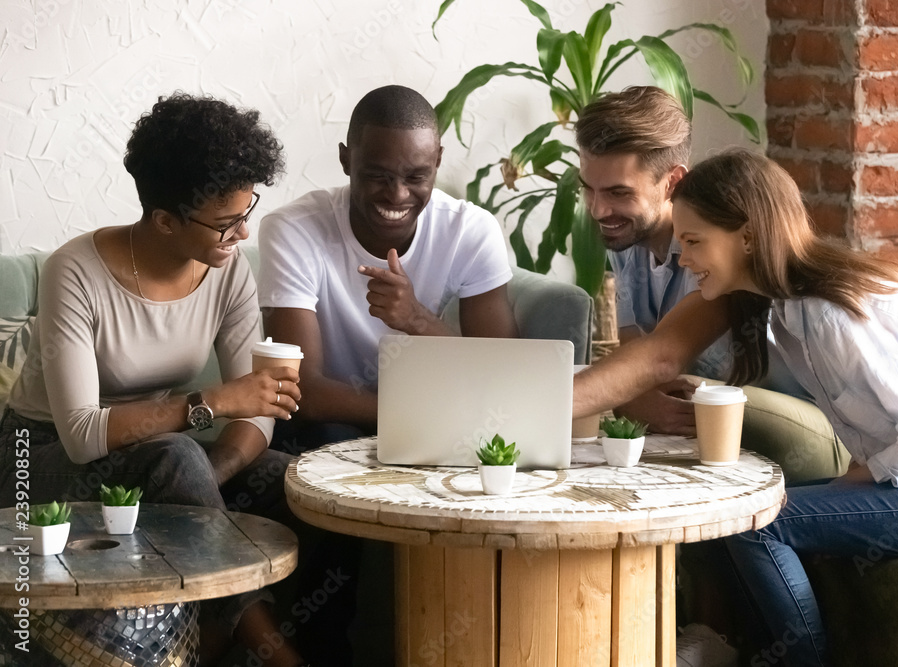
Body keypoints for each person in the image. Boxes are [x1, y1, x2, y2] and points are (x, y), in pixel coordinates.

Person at [575, 148, 898, 666]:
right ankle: (742, 650)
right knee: (728, 515)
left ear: (748, 237)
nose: (683, 260)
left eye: (694, 242)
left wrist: (862, 477)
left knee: (760, 523)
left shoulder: (828, 312)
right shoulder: (786, 309)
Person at [0, 93, 310, 667]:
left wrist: (210, 474)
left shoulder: (227, 271)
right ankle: (278, 655)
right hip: (35, 457)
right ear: (165, 220)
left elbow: (256, 409)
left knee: (293, 482)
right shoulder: (75, 271)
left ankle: (222, 647)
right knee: (176, 456)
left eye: (247, 212)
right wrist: (212, 403)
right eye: (226, 223)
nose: (243, 233)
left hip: (157, 456)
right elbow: (81, 435)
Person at [575, 86, 845, 482]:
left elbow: (660, 360)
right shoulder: (627, 236)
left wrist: (532, 405)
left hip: (812, 423)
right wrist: (635, 395)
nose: (599, 210)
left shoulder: (717, 250)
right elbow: (634, 356)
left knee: (702, 393)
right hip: (717, 425)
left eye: (619, 192)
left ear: (672, 182)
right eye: (588, 188)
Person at [258, 84, 518, 452]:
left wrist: (416, 319)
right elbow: (303, 391)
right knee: (326, 437)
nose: (397, 195)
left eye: (416, 177)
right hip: (330, 425)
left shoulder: (469, 231)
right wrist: (419, 417)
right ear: (346, 160)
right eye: (378, 176)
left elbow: (504, 375)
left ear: (438, 160)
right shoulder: (294, 229)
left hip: (432, 423)